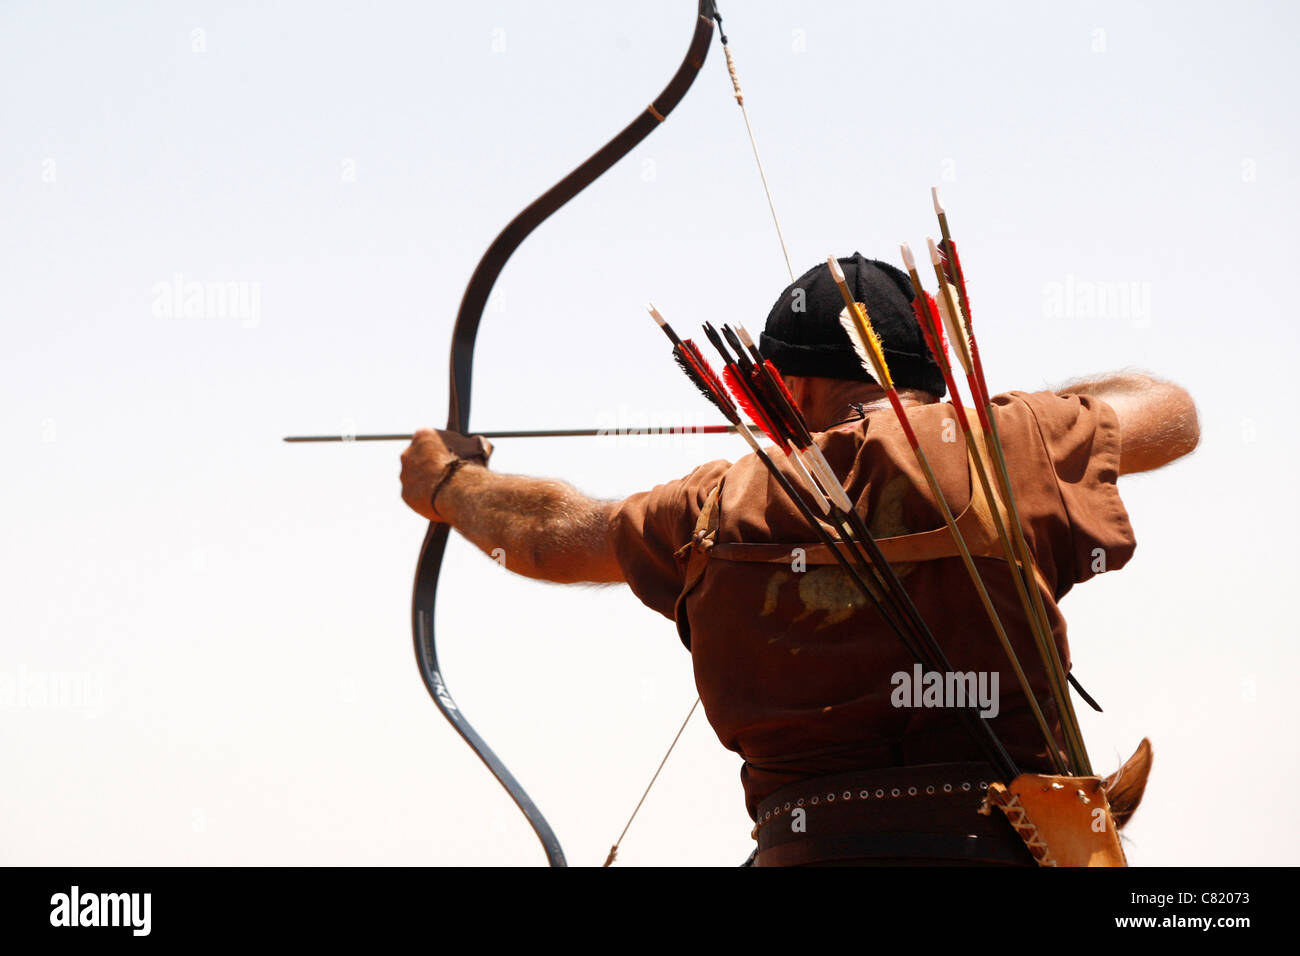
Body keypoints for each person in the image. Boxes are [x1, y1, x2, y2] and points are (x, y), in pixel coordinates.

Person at [399, 253, 1200, 866]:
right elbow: (1173, 414)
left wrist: (449, 483)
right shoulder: (1009, 446)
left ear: (773, 386)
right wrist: (1012, 421)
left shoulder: (713, 506)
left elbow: (549, 536)